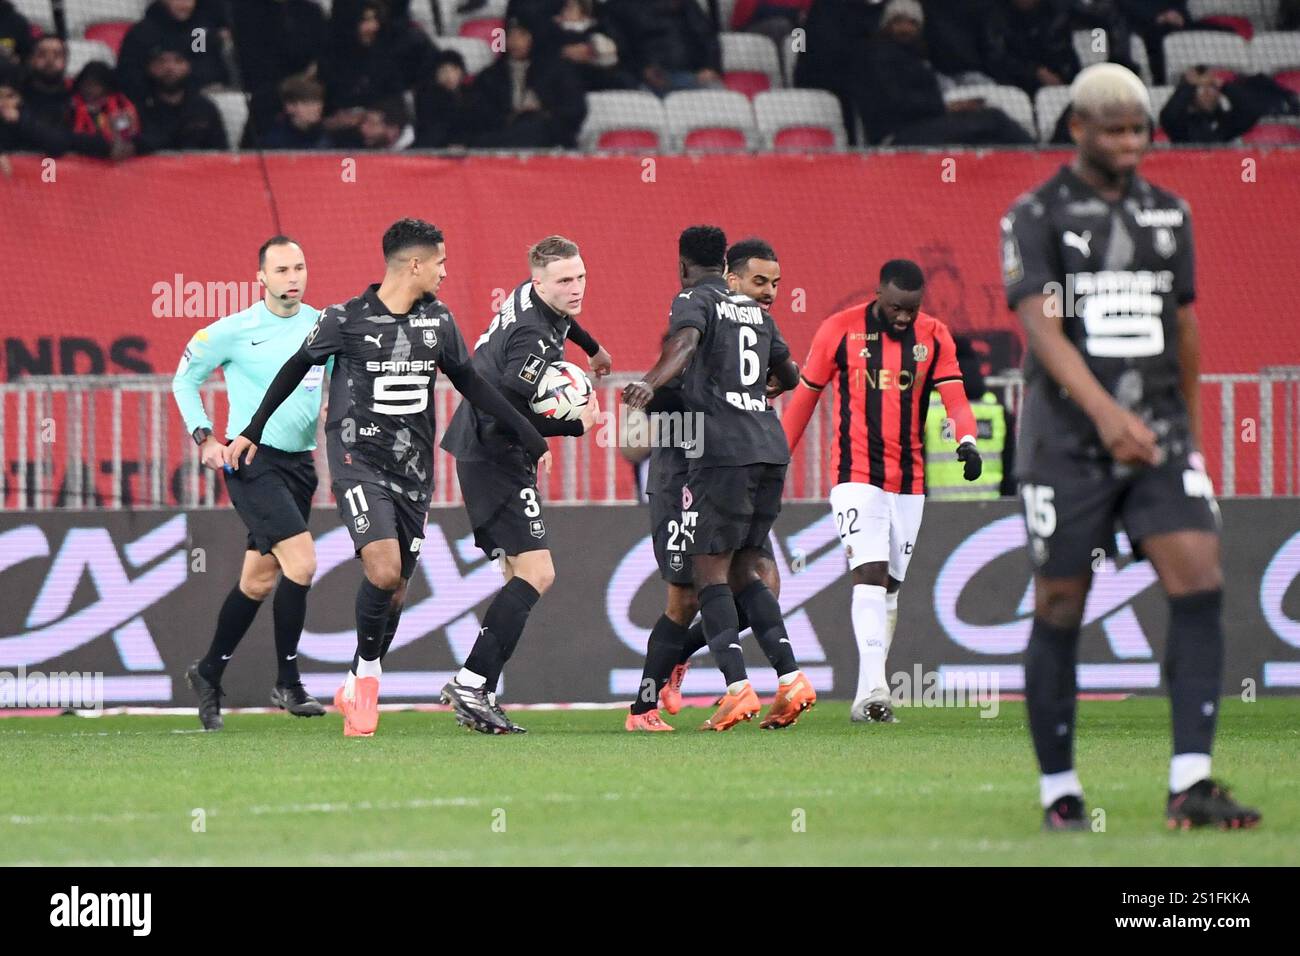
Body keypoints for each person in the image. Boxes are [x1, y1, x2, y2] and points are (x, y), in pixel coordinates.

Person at [999, 62, 1260, 830]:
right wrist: (1105, 413)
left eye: (1138, 129)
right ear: (1077, 128)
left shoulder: (1169, 214)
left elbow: (1183, 328)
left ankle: (1191, 783)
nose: (1128, 142)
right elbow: (1040, 326)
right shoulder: (1035, 213)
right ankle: (1060, 795)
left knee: (1200, 579)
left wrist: (1191, 437)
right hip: (1066, 443)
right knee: (1059, 604)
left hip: (1157, 439)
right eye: (1113, 129)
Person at [224, 219, 550, 738]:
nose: (445, 272)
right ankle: (370, 681)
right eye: (440, 262)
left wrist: (530, 434)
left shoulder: (439, 322)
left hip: (414, 473)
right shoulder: (344, 319)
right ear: (415, 264)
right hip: (358, 463)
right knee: (381, 569)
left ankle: (357, 674)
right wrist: (252, 431)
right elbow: (293, 368)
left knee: (395, 589)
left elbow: (471, 383)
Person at [624, 226, 815, 732]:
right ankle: (644, 705)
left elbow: (785, 372)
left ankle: (727, 680)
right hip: (681, 475)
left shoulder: (711, 317)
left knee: (745, 579)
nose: (769, 292)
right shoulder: (701, 335)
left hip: (724, 462)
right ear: (729, 275)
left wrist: (645, 388)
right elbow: (790, 374)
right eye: (760, 280)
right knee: (686, 596)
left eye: (774, 283)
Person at [782, 259, 983, 722]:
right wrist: (778, 458)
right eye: (895, 308)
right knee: (869, 574)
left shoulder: (934, 336)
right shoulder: (839, 329)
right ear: (878, 294)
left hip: (910, 481)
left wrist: (967, 441)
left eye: (911, 310)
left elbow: (955, 398)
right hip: (855, 475)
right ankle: (876, 691)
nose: (903, 318)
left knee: (890, 587)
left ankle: (864, 696)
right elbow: (805, 398)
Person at [438, 236, 608, 734]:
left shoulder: (532, 295)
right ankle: (471, 682)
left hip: (484, 451)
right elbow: (501, 410)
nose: (576, 288)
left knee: (518, 573)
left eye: (580, 276)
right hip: (493, 453)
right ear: (539, 281)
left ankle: (481, 690)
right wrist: (561, 430)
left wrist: (591, 346)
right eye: (565, 281)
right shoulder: (531, 341)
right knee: (538, 572)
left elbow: (563, 314)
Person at [174, 237, 328, 730]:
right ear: (260, 277)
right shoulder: (234, 330)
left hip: (301, 467)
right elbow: (184, 380)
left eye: (300, 267)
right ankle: (288, 680)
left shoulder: (323, 325)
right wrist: (204, 438)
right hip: (251, 462)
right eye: (281, 269)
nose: (293, 278)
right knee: (302, 563)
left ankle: (207, 671)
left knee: (259, 580)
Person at [135, 45, 229, 152]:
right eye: (161, 61)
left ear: (188, 66)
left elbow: (221, 152)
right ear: (150, 68)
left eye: (178, 61)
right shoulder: (139, 109)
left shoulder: (204, 108)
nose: (170, 67)